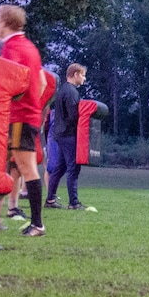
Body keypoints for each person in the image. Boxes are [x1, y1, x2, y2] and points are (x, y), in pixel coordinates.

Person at [0, 5, 48, 236]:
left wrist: (18, 106)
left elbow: (10, 82)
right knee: (12, 165)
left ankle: (37, 224)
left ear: (4, 21)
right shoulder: (30, 48)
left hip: (18, 116)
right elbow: (42, 83)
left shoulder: (11, 47)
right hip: (27, 115)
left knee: (25, 168)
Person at [45, 63, 88, 210]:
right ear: (75, 74)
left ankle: (50, 199)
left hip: (60, 133)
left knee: (60, 168)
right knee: (73, 168)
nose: (84, 78)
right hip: (69, 134)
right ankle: (73, 203)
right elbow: (73, 116)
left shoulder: (62, 89)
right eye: (82, 75)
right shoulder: (71, 92)